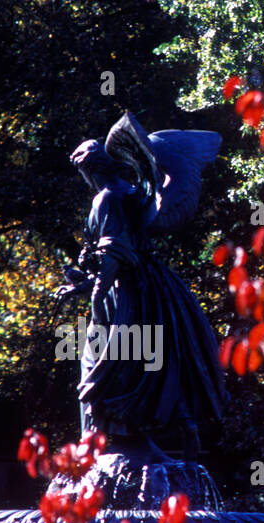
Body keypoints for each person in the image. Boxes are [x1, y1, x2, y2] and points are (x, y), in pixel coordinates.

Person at [58, 111, 226, 460]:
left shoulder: (107, 198)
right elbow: (126, 247)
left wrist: (97, 292)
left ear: (88, 169)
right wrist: (86, 284)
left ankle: (114, 446)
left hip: (125, 291)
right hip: (151, 287)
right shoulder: (132, 191)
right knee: (142, 361)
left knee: (104, 360)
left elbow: (115, 251)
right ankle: (169, 433)